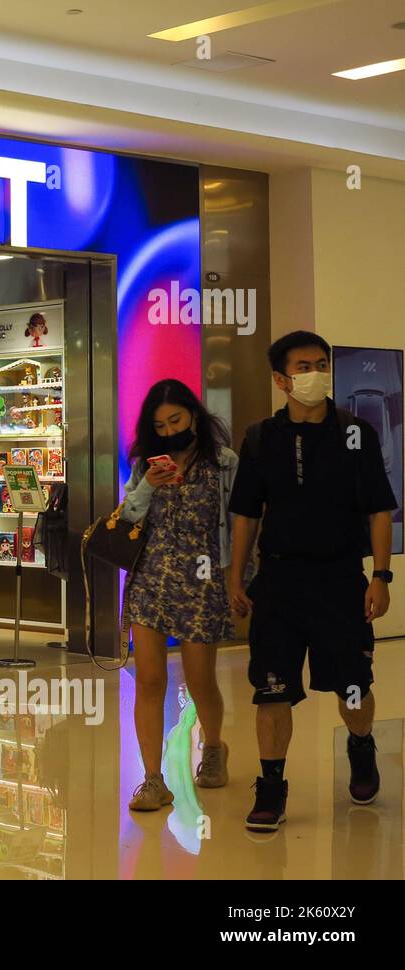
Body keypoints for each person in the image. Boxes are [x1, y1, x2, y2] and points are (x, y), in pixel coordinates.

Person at [229, 331, 396, 831]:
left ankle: (361, 743)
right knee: (272, 690)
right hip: (279, 581)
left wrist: (381, 576)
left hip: (340, 580)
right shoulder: (261, 437)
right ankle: (271, 786)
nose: (315, 373)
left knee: (351, 687)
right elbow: (245, 514)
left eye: (321, 363)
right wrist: (235, 575)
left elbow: (379, 510)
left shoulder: (355, 433)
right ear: (281, 379)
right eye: (304, 366)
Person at [119, 379, 238, 812]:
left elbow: (241, 523)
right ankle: (153, 779)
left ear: (193, 415)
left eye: (176, 420)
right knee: (149, 681)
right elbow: (129, 513)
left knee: (200, 679)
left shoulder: (223, 462)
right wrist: (148, 482)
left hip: (202, 581)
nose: (169, 430)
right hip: (150, 578)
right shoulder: (145, 463)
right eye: (160, 424)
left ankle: (213, 747)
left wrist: (241, 578)